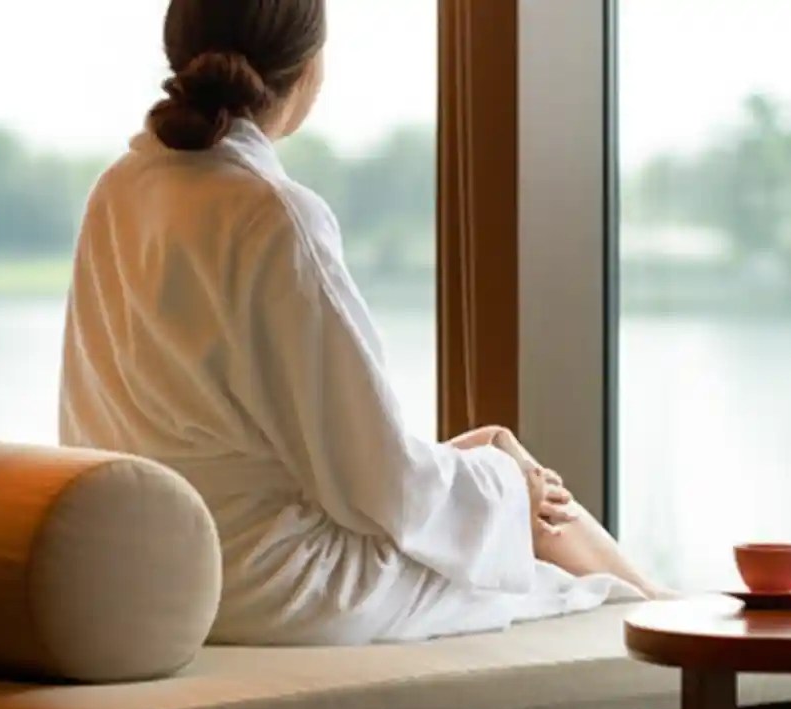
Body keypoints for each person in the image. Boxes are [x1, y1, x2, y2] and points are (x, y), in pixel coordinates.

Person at [60, 0, 668, 646]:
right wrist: (507, 489)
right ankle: (689, 631)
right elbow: (377, 481)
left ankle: (674, 608)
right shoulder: (275, 217)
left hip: (158, 570)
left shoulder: (118, 190)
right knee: (547, 547)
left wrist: (500, 481)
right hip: (275, 586)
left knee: (498, 458)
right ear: (310, 65)